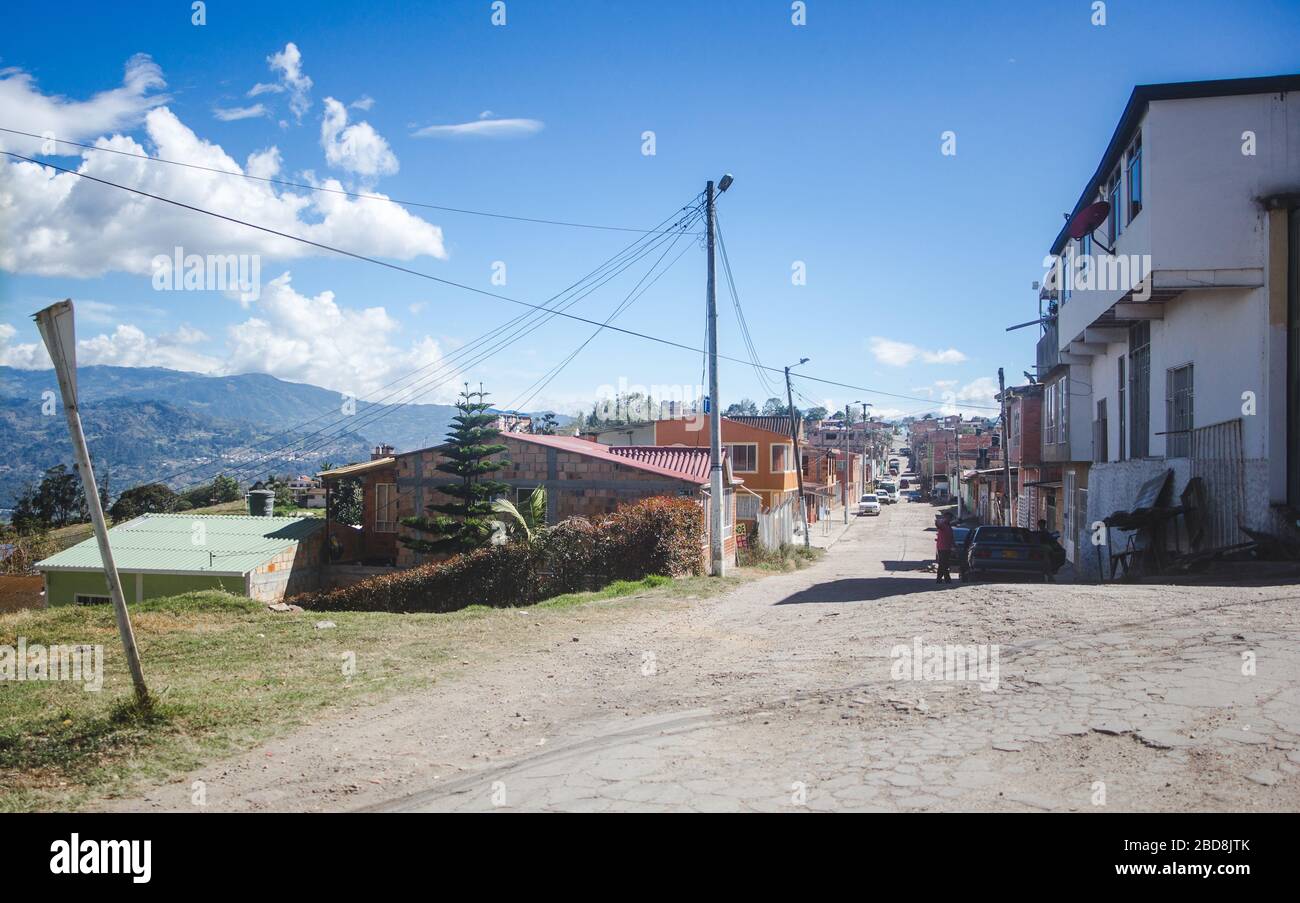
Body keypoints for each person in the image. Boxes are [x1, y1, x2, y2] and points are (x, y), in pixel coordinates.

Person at [934, 512, 955, 584]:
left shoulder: (949, 526)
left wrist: (954, 545)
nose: (949, 519)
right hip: (942, 547)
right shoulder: (942, 525)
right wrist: (941, 520)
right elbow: (937, 524)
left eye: (950, 518)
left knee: (942, 564)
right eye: (948, 517)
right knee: (944, 564)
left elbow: (951, 537)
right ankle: (947, 579)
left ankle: (939, 579)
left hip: (947, 547)